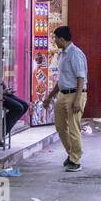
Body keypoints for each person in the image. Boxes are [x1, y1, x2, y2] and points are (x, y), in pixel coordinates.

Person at [42, 25, 88, 171]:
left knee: (74, 128)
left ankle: (75, 160)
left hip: (75, 94)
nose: (54, 41)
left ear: (62, 39)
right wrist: (50, 97)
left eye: (55, 38)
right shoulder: (62, 55)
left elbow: (81, 78)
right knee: (60, 127)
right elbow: (61, 80)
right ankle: (71, 153)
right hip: (63, 94)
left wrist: (77, 100)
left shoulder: (75, 54)